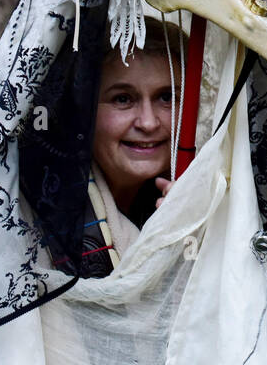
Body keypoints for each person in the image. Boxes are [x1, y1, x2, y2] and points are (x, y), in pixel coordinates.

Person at [80, 17, 187, 276]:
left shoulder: (190, 192)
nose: (148, 123)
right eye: (123, 99)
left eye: (166, 97)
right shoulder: (42, 218)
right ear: (84, 108)